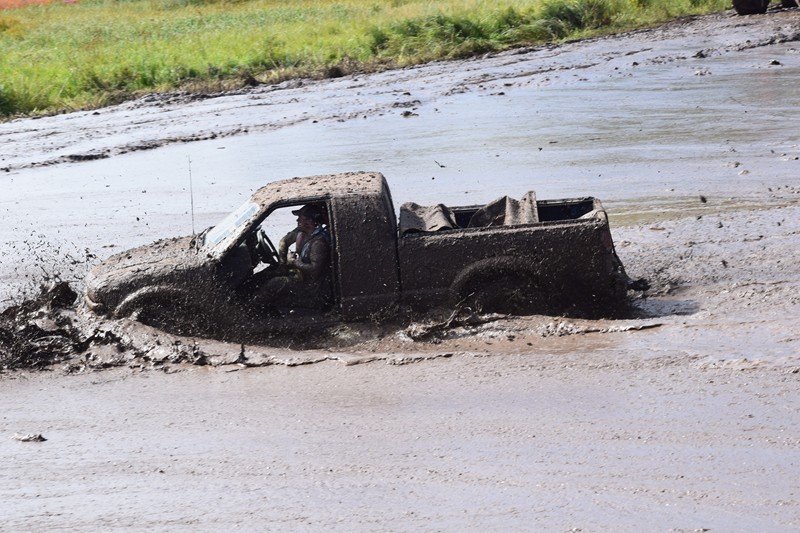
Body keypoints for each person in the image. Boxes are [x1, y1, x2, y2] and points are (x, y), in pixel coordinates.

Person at [254, 204, 331, 309]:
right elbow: (284, 242)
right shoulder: (304, 234)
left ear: (310, 221)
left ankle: (251, 309)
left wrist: (294, 262)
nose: (297, 220)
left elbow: (314, 270)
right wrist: (283, 265)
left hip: (310, 287)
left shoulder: (318, 243)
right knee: (267, 273)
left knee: (275, 283)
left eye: (301, 218)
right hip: (301, 277)